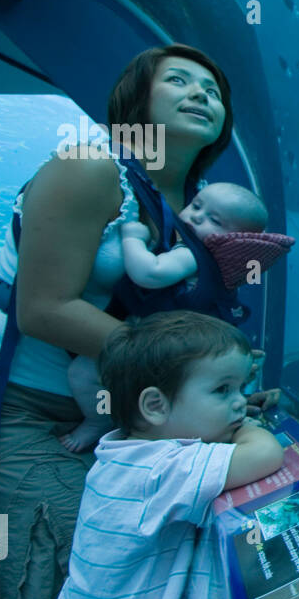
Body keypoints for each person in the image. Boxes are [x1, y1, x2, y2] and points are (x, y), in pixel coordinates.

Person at [0, 44, 276, 599]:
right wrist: (190, 376)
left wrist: (220, 389)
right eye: (177, 81)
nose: (200, 95)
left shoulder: (198, 206)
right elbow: (43, 310)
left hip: (88, 412)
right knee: (89, 573)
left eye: (212, 90)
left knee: (94, 583)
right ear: (135, 100)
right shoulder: (89, 168)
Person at [0, 311, 284, 599]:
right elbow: (264, 455)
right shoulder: (159, 470)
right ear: (155, 406)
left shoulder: (125, 454)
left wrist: (228, 412)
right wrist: (251, 428)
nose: (239, 403)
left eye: (242, 387)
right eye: (222, 390)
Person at [60, 181, 269, 453]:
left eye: (214, 220)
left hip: (153, 343)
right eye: (196, 205)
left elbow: (150, 274)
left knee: (83, 374)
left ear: (236, 239)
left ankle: (97, 419)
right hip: (182, 352)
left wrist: (133, 238)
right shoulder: (224, 271)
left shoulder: (191, 254)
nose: (196, 217)